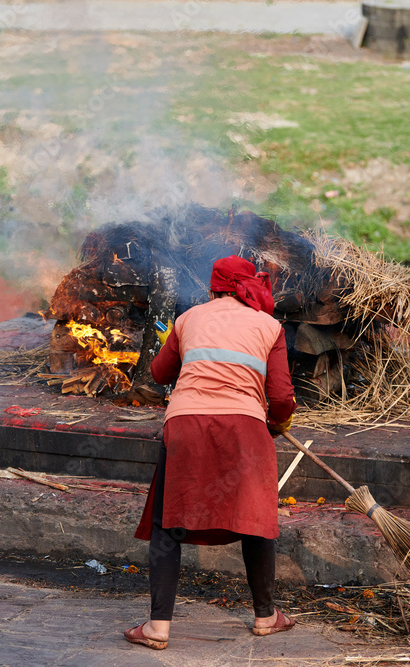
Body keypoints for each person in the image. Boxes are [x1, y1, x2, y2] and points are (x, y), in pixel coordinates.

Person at [124, 255, 297, 651]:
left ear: (212, 288)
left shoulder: (188, 318)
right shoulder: (270, 326)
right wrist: (278, 423)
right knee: (256, 517)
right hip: (245, 427)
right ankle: (266, 616)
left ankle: (158, 628)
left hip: (185, 425)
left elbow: (159, 373)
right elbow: (282, 397)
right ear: (248, 286)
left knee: (169, 522)